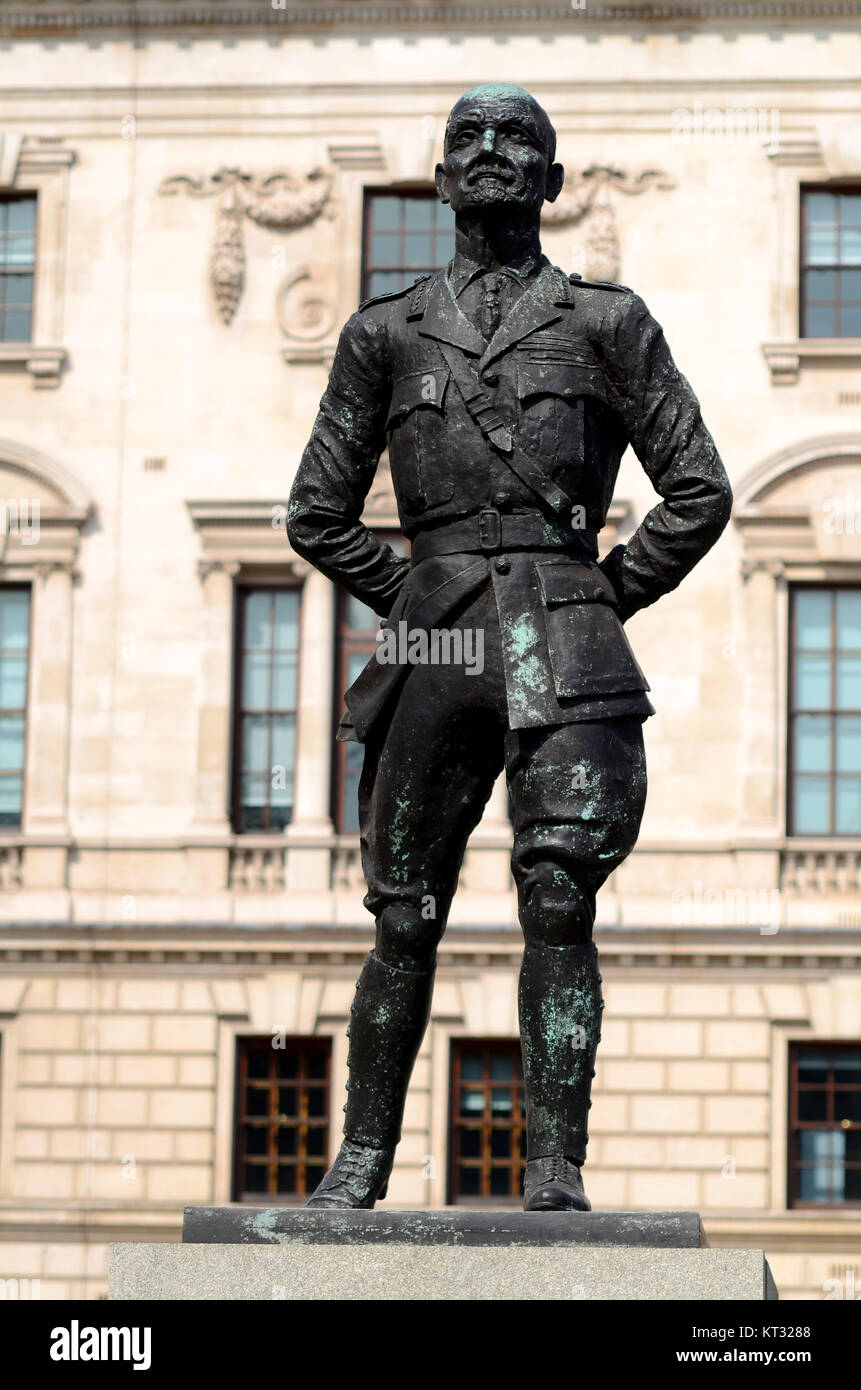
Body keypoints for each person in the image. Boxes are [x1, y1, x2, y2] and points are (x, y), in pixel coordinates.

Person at [287, 83, 732, 1211]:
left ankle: (552, 1167)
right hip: (435, 647)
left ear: (553, 178)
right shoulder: (382, 334)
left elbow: (698, 488)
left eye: (516, 141)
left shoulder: (607, 324)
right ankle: (360, 1160)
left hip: (565, 642)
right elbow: (315, 512)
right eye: (467, 142)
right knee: (404, 911)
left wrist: (604, 595)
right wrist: (418, 591)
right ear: (440, 178)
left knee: (559, 899)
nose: (490, 155)